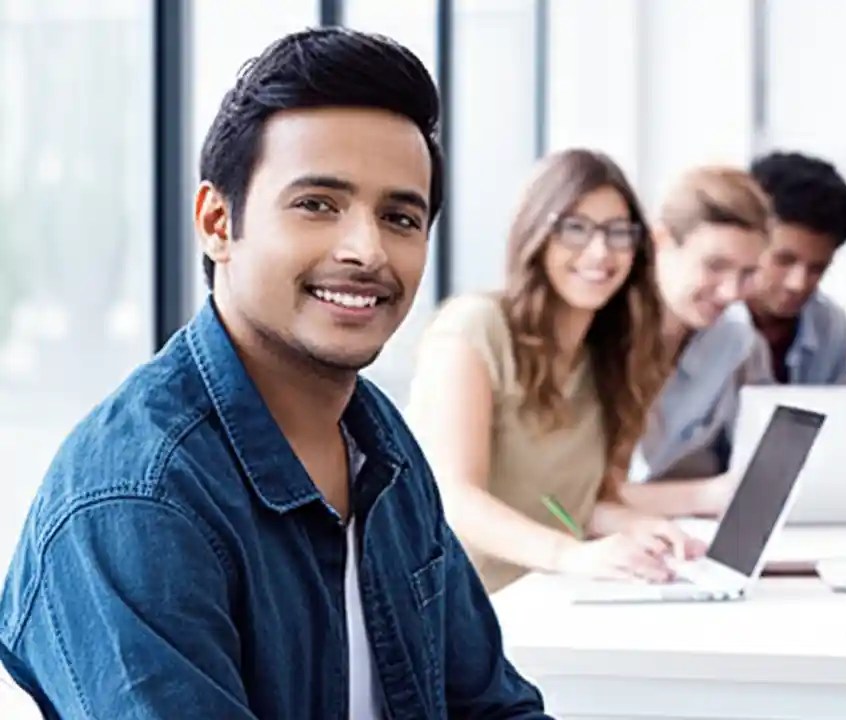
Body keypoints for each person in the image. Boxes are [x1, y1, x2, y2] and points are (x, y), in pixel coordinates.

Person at [0, 29, 548, 718]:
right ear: (217, 221)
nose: (366, 250)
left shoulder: (379, 441)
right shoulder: (137, 497)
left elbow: (492, 706)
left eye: (399, 216)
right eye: (318, 204)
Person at [405, 149, 703, 594]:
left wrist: (639, 527)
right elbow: (454, 496)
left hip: (549, 597)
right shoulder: (474, 327)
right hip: (462, 606)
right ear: (537, 232)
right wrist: (573, 555)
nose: (600, 251)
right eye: (576, 228)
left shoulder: (609, 355)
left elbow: (573, 504)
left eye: (618, 232)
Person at [621, 166, 774, 518]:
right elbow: (571, 498)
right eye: (715, 265)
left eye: (748, 273)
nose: (732, 292)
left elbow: (757, 471)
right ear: (661, 242)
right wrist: (706, 496)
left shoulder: (737, 341)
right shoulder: (597, 333)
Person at [724, 150, 846, 384]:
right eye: (784, 260)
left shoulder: (832, 327)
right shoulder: (708, 324)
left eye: (817, 268)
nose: (798, 284)